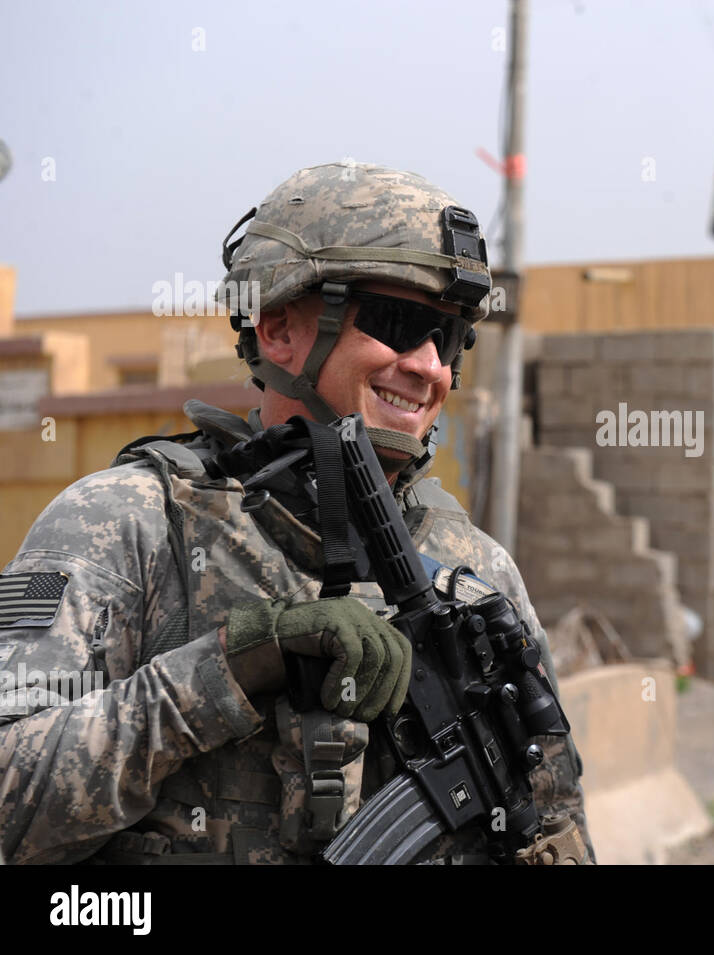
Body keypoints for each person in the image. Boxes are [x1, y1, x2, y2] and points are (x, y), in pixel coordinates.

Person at [0, 161, 593, 865]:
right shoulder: (128, 524)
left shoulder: (477, 569)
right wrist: (232, 664)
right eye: (398, 322)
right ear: (278, 328)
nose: (430, 366)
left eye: (452, 337)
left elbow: (559, 822)